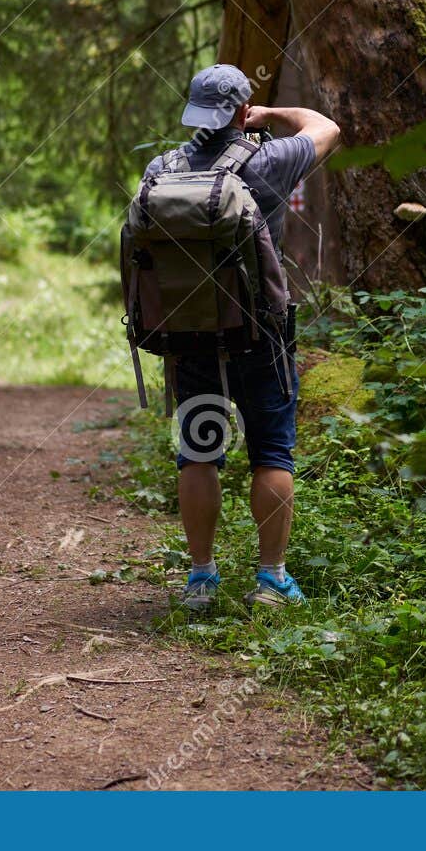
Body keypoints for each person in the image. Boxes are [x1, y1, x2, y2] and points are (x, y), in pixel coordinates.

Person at [143, 63, 341, 611]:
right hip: (260, 335)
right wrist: (272, 113)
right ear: (238, 111)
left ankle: (201, 579)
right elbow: (326, 127)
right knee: (272, 453)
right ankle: (271, 579)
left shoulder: (160, 169)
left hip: (189, 336)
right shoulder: (269, 161)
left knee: (198, 453)